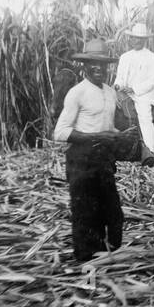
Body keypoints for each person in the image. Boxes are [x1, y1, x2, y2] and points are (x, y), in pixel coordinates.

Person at [53, 38, 126, 263]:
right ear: (85, 65)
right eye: (93, 63)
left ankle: (108, 256)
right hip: (81, 160)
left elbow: (107, 127)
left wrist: (120, 135)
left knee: (113, 213)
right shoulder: (77, 93)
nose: (98, 68)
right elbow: (60, 132)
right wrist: (97, 137)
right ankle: (85, 262)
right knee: (85, 213)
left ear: (107, 67)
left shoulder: (110, 93)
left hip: (104, 159)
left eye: (102, 64)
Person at [114, 22, 154, 166]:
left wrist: (134, 89)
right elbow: (119, 77)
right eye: (134, 38)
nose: (136, 41)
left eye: (140, 38)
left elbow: (152, 81)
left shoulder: (152, 57)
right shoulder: (125, 57)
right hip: (124, 93)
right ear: (131, 39)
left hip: (143, 95)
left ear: (145, 40)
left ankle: (149, 151)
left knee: (144, 116)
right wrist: (117, 86)